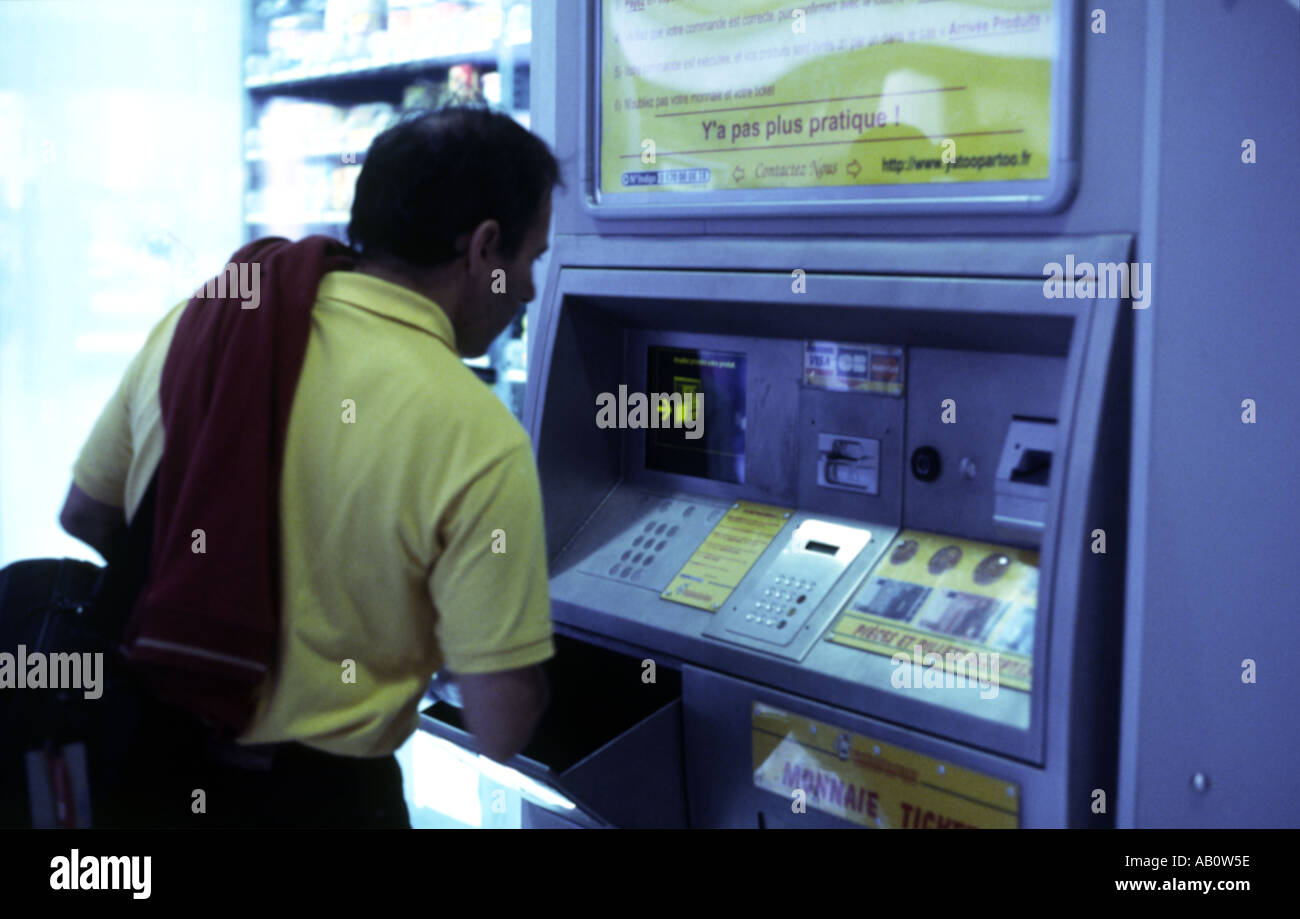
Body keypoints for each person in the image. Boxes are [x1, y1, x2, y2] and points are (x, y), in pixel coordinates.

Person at [57, 107, 561, 827]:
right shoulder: (478, 434)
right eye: (531, 259)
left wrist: (203, 594)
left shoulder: (205, 323)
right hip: (323, 801)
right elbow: (503, 723)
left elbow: (85, 511)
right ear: (483, 248)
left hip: (149, 771)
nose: (533, 290)